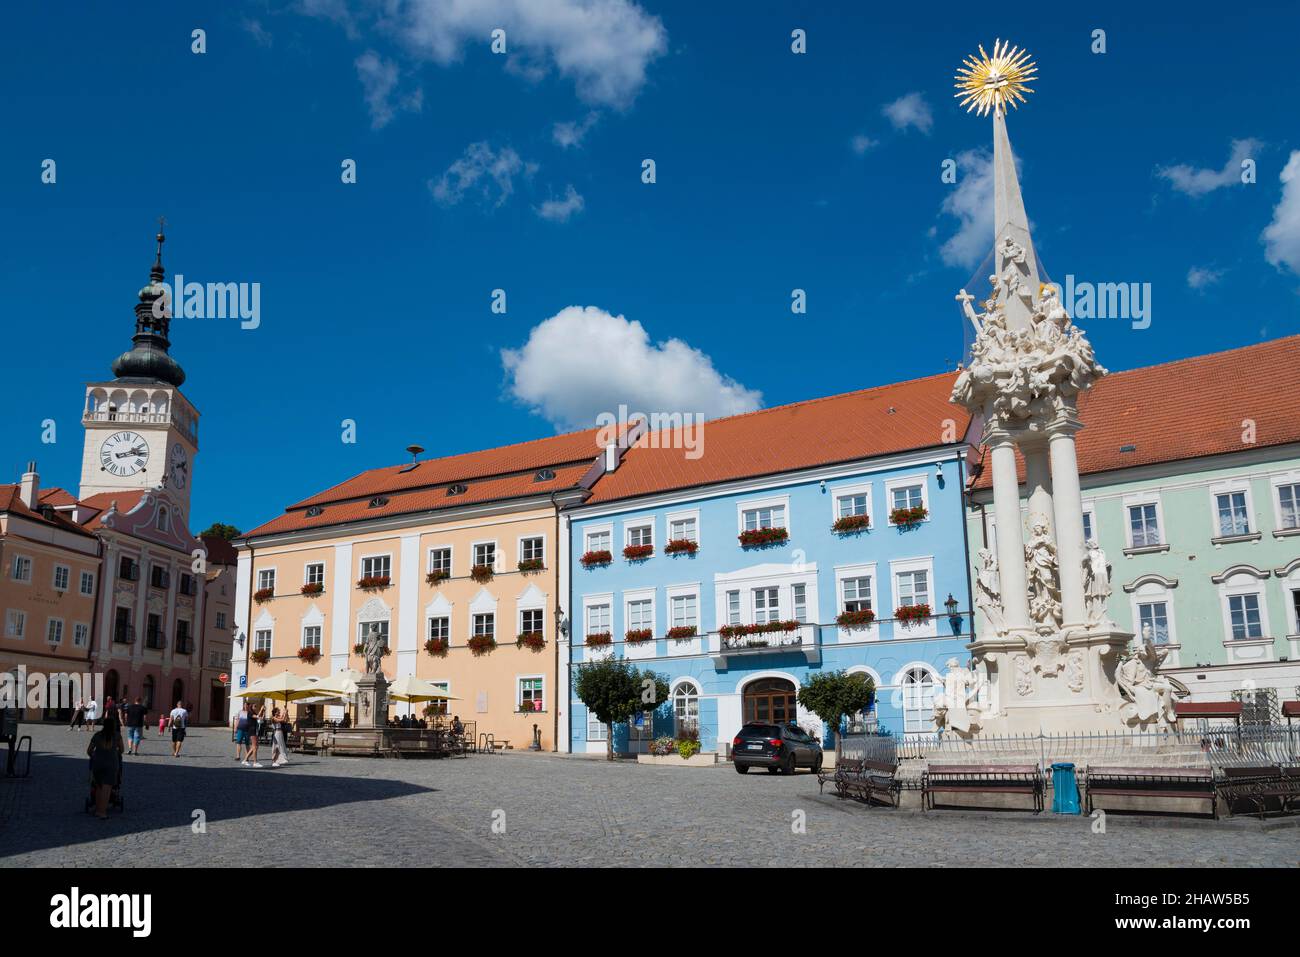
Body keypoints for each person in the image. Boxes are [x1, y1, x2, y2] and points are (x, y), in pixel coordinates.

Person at [87, 719, 123, 819]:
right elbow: (122, 750)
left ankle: (98, 810)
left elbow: (89, 750)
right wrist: (115, 754)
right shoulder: (117, 736)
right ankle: (102, 812)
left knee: (98, 787)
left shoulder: (97, 735)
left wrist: (93, 756)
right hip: (111, 764)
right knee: (107, 788)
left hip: (98, 763)